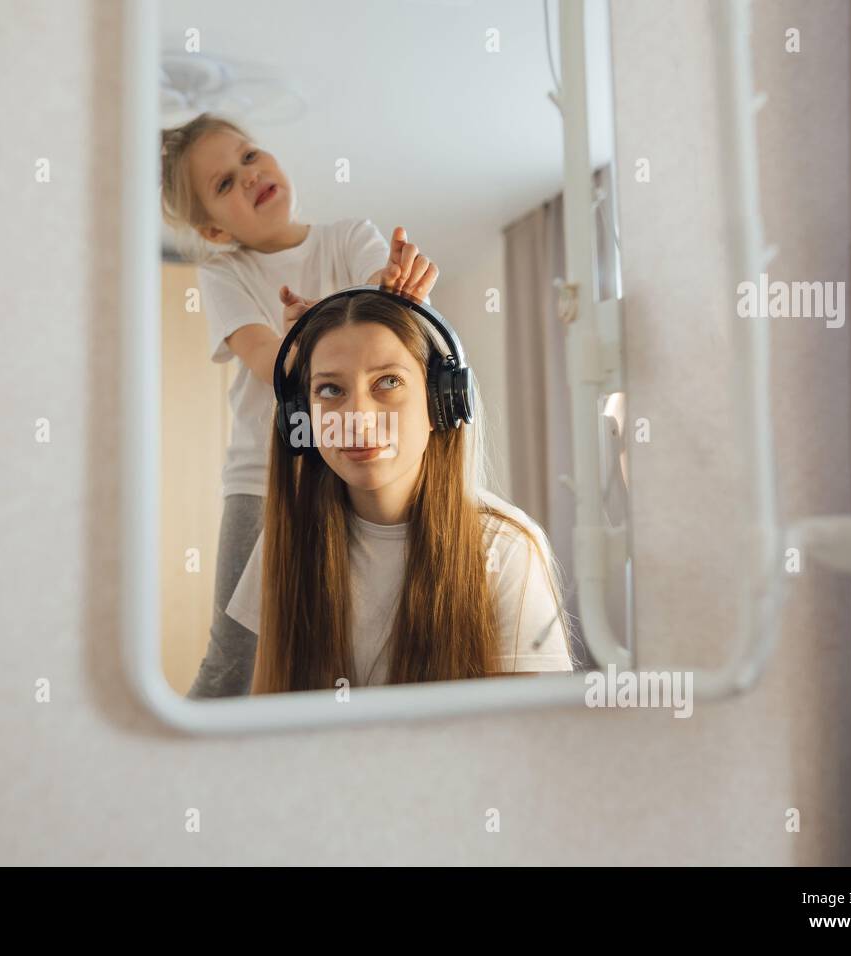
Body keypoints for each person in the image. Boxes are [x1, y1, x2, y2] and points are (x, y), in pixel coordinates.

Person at [159, 112, 439, 698]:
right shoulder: (224, 272)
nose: (249, 175)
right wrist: (305, 342)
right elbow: (267, 359)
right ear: (213, 231)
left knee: (345, 636)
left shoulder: (348, 237)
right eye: (224, 184)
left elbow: (387, 322)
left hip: (356, 469)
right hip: (263, 477)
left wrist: (400, 295)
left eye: (249, 156)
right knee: (236, 650)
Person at [224, 290, 576, 693]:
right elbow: (270, 710)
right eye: (330, 390)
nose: (358, 418)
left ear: (440, 403)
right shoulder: (285, 539)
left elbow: (523, 740)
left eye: (388, 382)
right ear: (301, 418)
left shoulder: (506, 546)